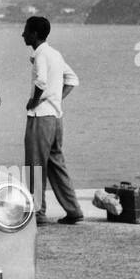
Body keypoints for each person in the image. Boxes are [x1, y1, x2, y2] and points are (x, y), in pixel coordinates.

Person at [21, 16, 83, 226]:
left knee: (35, 165)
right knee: (57, 164)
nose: (23, 34)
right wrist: (57, 98)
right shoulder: (54, 54)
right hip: (56, 118)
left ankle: (37, 213)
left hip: (40, 117)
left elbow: (41, 81)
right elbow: (72, 79)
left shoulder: (40, 54)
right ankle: (73, 209)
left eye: (26, 31)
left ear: (35, 34)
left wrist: (33, 101)